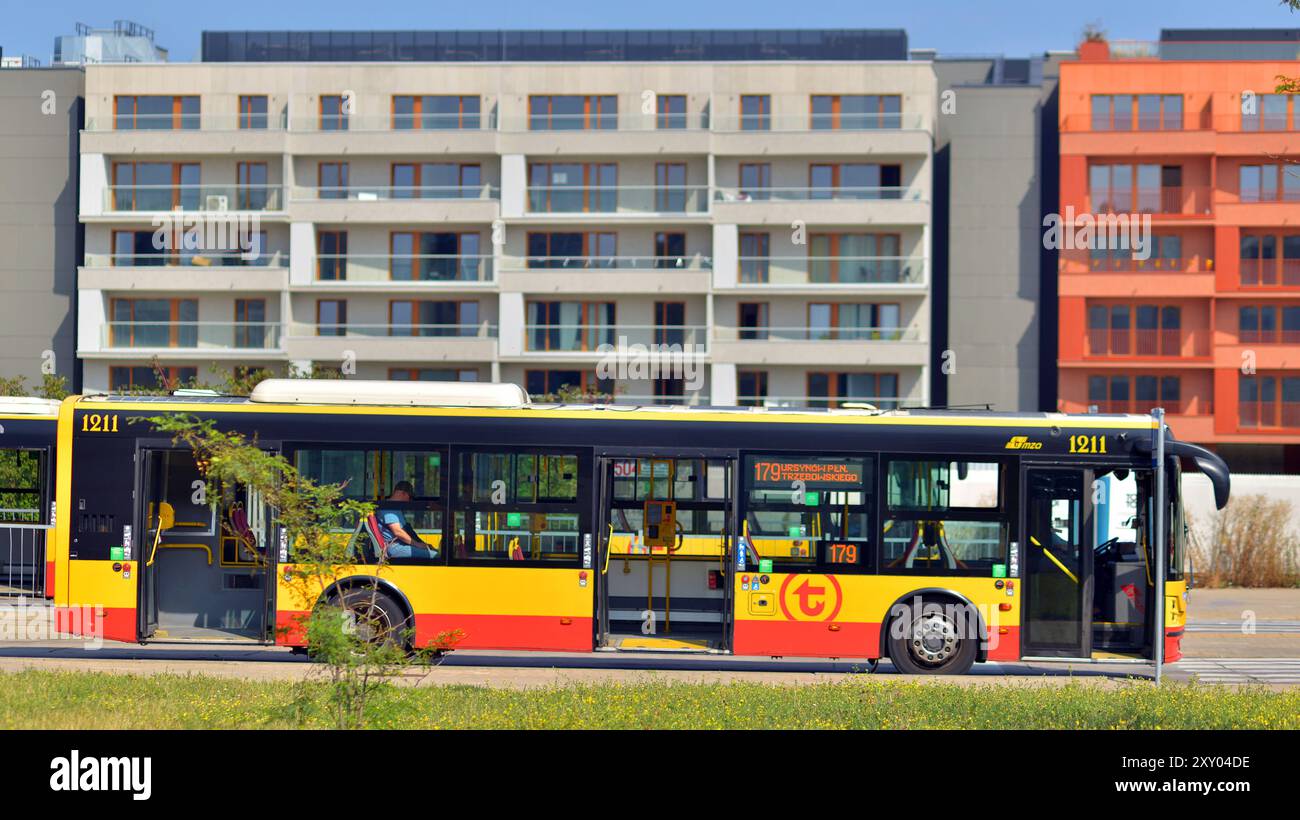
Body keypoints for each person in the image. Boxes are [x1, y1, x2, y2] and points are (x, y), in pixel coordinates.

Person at [376, 481, 439, 560]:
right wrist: (417, 545)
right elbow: (397, 531)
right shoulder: (389, 508)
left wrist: (423, 544)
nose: (409, 501)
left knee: (432, 551)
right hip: (394, 547)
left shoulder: (395, 507)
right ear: (403, 494)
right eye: (409, 497)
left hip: (400, 544)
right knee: (435, 556)